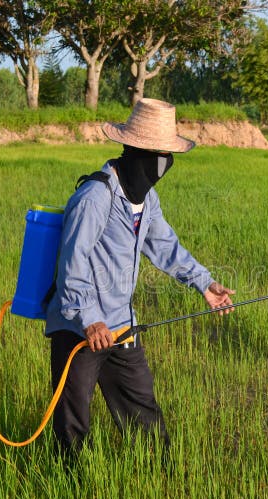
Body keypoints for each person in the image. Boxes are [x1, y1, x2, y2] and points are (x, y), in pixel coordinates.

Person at [44, 98, 235, 456]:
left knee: (143, 413)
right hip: (79, 327)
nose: (162, 163)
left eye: (167, 154)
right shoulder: (95, 197)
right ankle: (67, 489)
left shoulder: (146, 199)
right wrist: (90, 321)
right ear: (132, 149)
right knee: (72, 423)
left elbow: (165, 246)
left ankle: (160, 476)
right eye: (155, 153)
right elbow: (71, 265)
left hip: (121, 325)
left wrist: (204, 284)